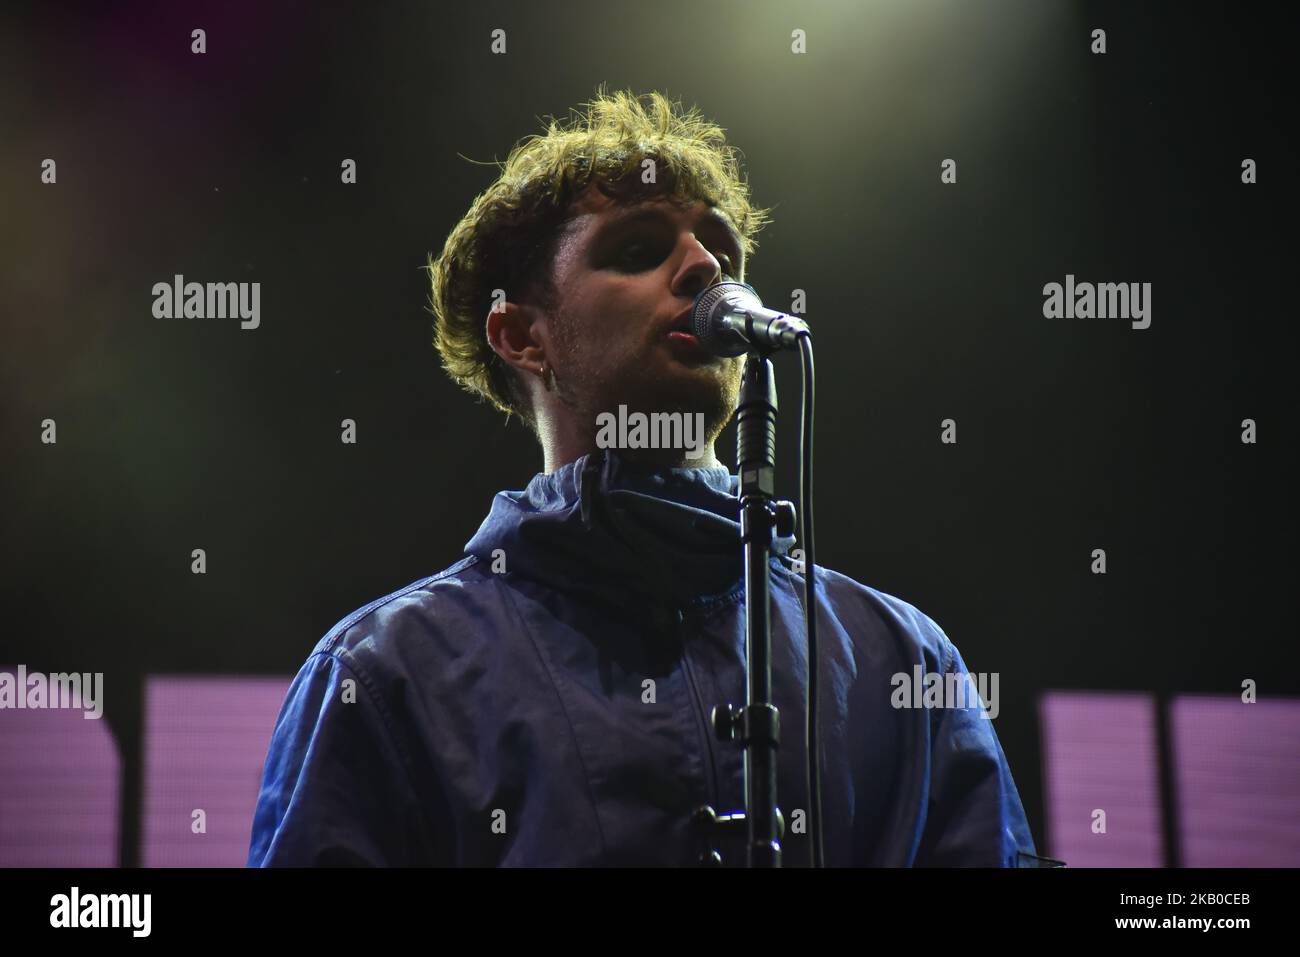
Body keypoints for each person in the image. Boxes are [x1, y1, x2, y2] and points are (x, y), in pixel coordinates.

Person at [248, 87, 1037, 867]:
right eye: (637, 250)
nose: (703, 268)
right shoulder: (386, 673)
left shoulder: (905, 658)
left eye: (721, 254)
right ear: (523, 334)